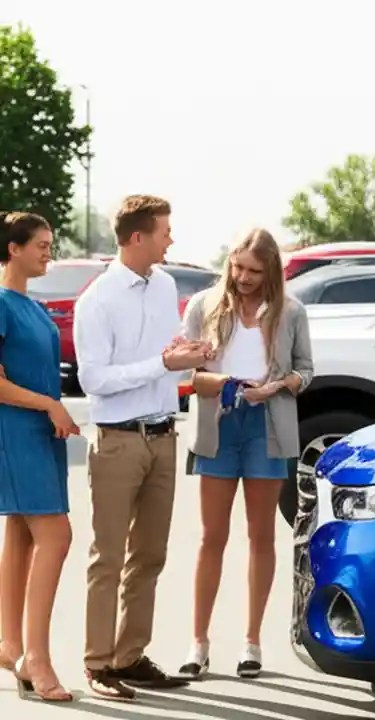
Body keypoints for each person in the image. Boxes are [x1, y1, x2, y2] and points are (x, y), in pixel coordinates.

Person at [73, 195, 211, 700]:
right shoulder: (98, 299)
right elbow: (93, 381)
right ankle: (97, 664)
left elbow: (165, 351)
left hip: (162, 436)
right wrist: (163, 364)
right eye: (164, 231)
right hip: (117, 442)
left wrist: (188, 354)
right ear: (137, 238)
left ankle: (129, 657)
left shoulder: (166, 285)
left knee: (149, 555)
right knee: (107, 558)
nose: (170, 239)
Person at [176, 228, 313, 680]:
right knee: (211, 536)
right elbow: (186, 373)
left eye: (254, 270)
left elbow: (306, 371)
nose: (243, 277)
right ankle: (198, 642)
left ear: (271, 269)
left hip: (267, 424)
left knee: (261, 536)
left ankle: (252, 641)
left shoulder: (291, 311)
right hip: (219, 422)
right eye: (237, 267)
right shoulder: (204, 306)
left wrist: (278, 386)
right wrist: (219, 381)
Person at [0, 211, 79, 702]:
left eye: (51, 243)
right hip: (17, 431)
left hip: (44, 434)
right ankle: (38, 658)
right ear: (13, 248)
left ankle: (10, 643)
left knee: (24, 535)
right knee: (56, 534)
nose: (49, 251)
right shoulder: (2, 304)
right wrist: (49, 403)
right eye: (41, 245)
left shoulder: (33, 305)